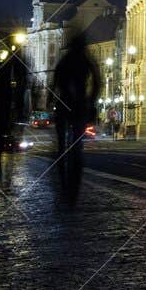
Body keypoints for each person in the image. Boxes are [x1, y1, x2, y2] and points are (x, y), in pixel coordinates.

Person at [51, 33, 101, 201]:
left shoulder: (64, 60)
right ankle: (73, 181)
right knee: (77, 145)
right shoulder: (86, 60)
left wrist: (51, 101)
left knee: (61, 144)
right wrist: (91, 100)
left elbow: (54, 82)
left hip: (64, 103)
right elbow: (97, 81)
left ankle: (62, 177)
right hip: (79, 104)